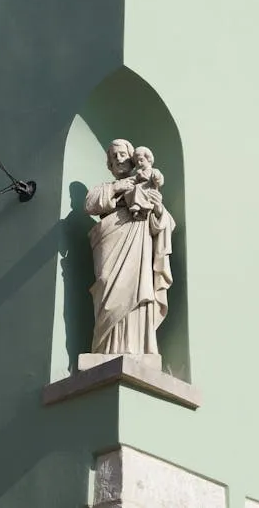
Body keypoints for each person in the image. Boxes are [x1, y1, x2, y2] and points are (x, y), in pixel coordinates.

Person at [84, 139, 175, 355]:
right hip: (111, 238)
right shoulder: (106, 188)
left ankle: (137, 347)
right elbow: (89, 205)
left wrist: (159, 208)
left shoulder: (146, 182)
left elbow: (165, 225)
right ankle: (105, 348)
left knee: (138, 289)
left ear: (132, 158)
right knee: (106, 282)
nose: (118, 158)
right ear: (109, 164)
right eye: (113, 156)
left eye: (122, 154)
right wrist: (119, 187)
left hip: (139, 241)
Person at [123, 146, 164, 219]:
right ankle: (136, 210)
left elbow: (159, 181)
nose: (139, 163)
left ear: (148, 159)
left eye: (141, 160)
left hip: (149, 190)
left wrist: (157, 178)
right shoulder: (138, 172)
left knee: (138, 187)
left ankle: (140, 206)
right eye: (137, 162)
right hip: (140, 190)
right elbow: (135, 181)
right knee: (128, 192)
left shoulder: (154, 171)